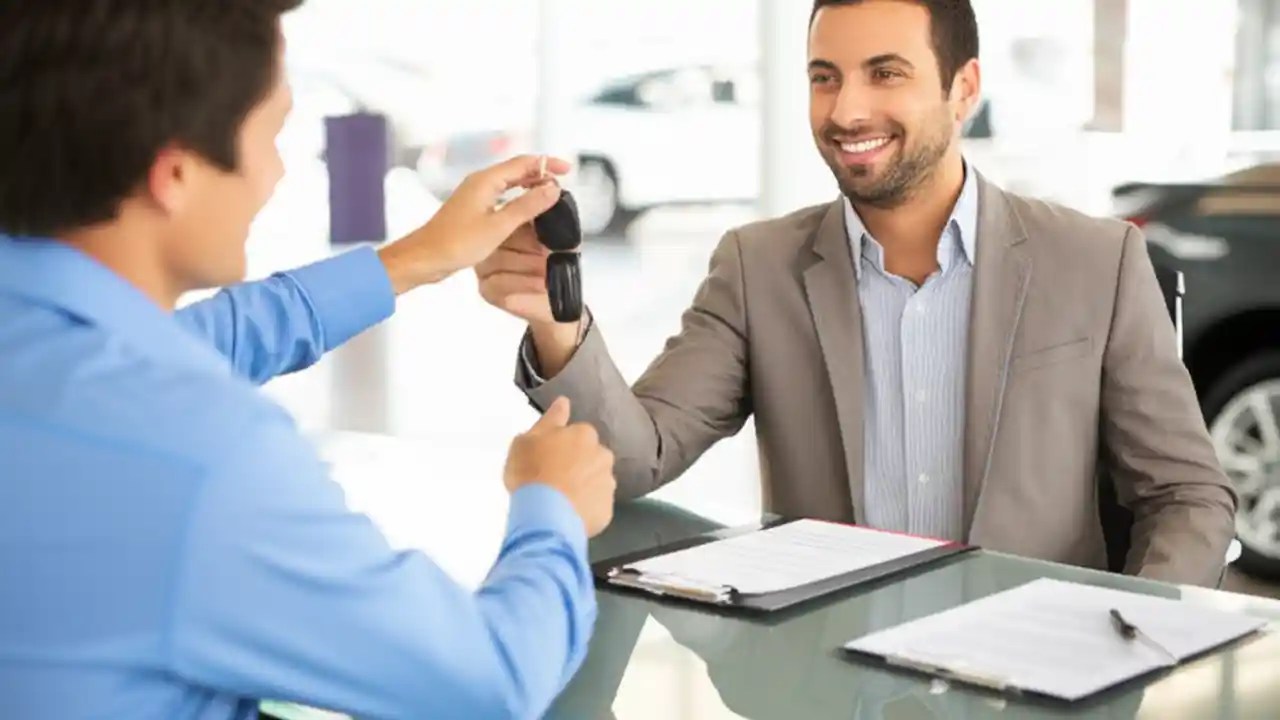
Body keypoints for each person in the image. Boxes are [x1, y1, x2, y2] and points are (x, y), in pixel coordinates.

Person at [478, 0, 1237, 587]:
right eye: (824, 77)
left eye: (886, 73)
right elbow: (634, 459)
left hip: (1032, 686)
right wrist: (558, 321)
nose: (846, 112)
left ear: (962, 87)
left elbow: (1187, 497)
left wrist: (1132, 645)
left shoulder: (1095, 261)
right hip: (828, 674)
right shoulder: (757, 267)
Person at [0, 1, 615, 718]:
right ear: (173, 174)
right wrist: (553, 510)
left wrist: (418, 258)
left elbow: (201, 341)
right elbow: (490, 683)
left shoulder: (54, 356)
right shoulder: (201, 459)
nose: (277, 173)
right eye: (270, 135)